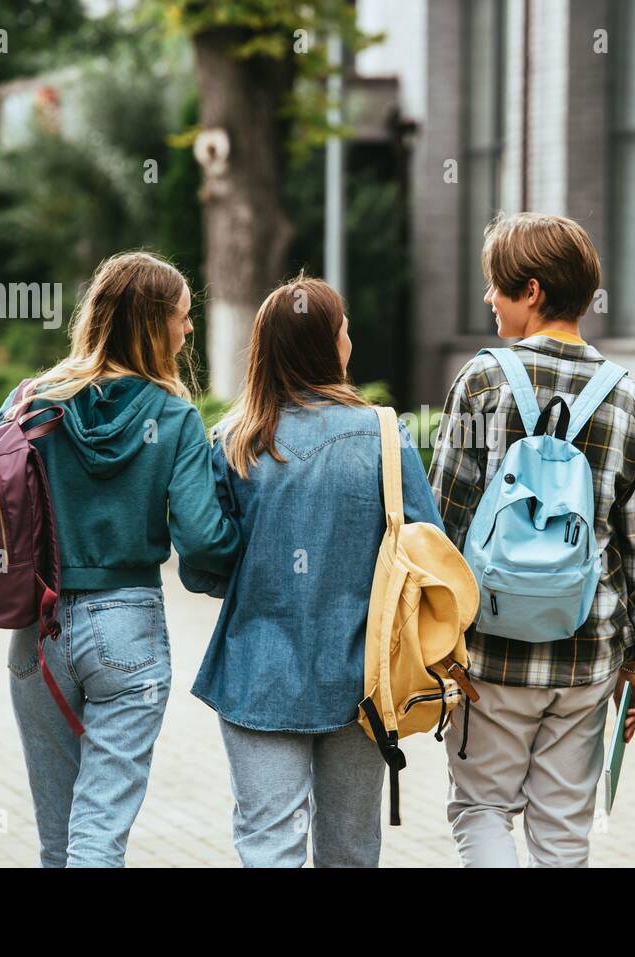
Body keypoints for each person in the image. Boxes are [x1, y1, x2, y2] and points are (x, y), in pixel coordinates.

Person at [428, 212, 635, 867]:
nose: (487, 299)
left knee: (480, 810)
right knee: (563, 832)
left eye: (496, 286)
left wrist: (434, 641)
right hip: (586, 650)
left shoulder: (481, 381)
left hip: (489, 653)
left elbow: (442, 521)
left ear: (531, 292)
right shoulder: (631, 399)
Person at [183, 274, 441, 868]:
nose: (349, 338)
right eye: (343, 328)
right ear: (330, 346)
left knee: (267, 843)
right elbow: (427, 549)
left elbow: (202, 568)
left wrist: (255, 574)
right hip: (362, 679)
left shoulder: (231, 442)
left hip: (257, 674)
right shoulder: (383, 434)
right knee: (350, 848)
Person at [0, 250, 241, 867]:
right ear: (153, 323)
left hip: (37, 632)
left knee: (61, 840)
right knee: (100, 832)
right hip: (127, 628)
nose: (189, 330)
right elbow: (205, 539)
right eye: (183, 318)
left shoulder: (30, 404)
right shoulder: (176, 417)